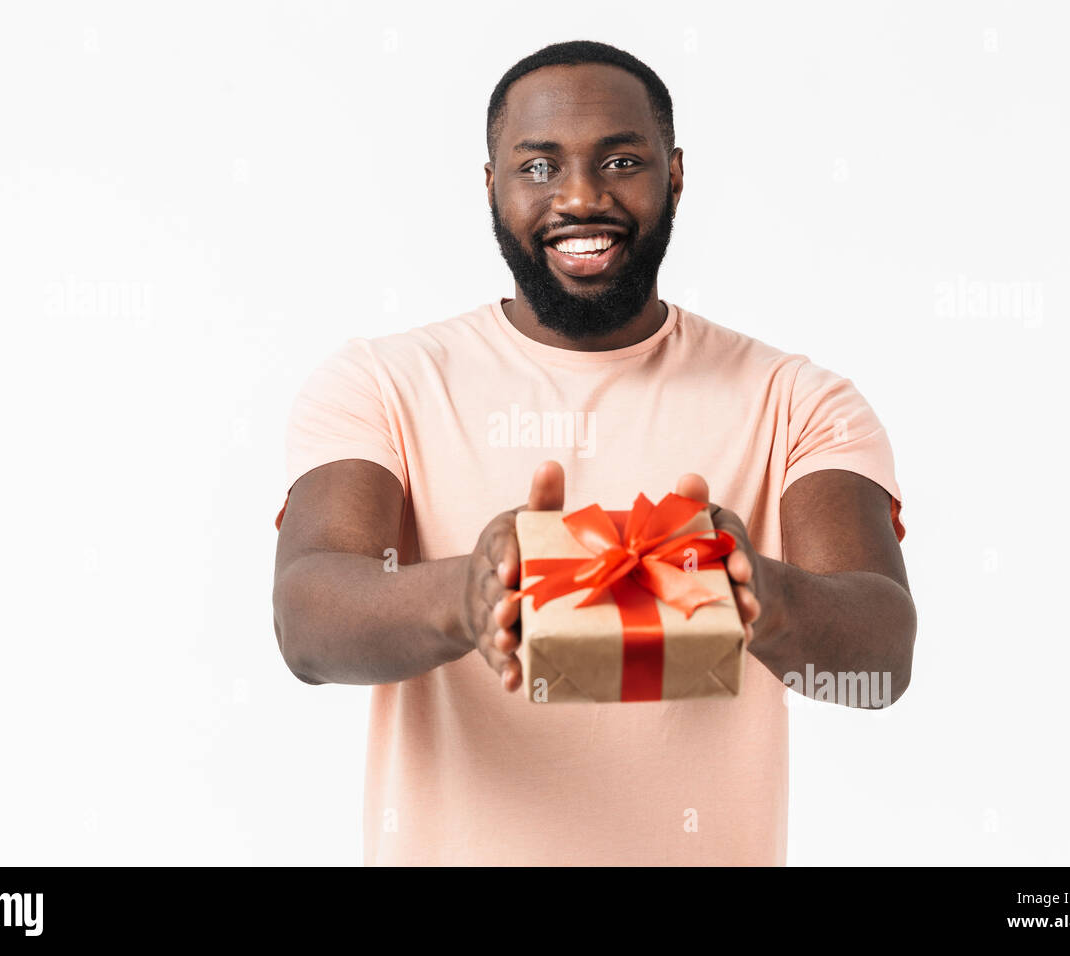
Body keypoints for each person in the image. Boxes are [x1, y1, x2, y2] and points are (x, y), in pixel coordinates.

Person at [271, 39, 915, 866]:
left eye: (620, 160)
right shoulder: (380, 383)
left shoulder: (797, 400)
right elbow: (307, 622)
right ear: (491, 185)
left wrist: (767, 597)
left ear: (675, 175)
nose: (580, 197)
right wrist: (468, 596)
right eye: (538, 166)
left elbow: (884, 654)